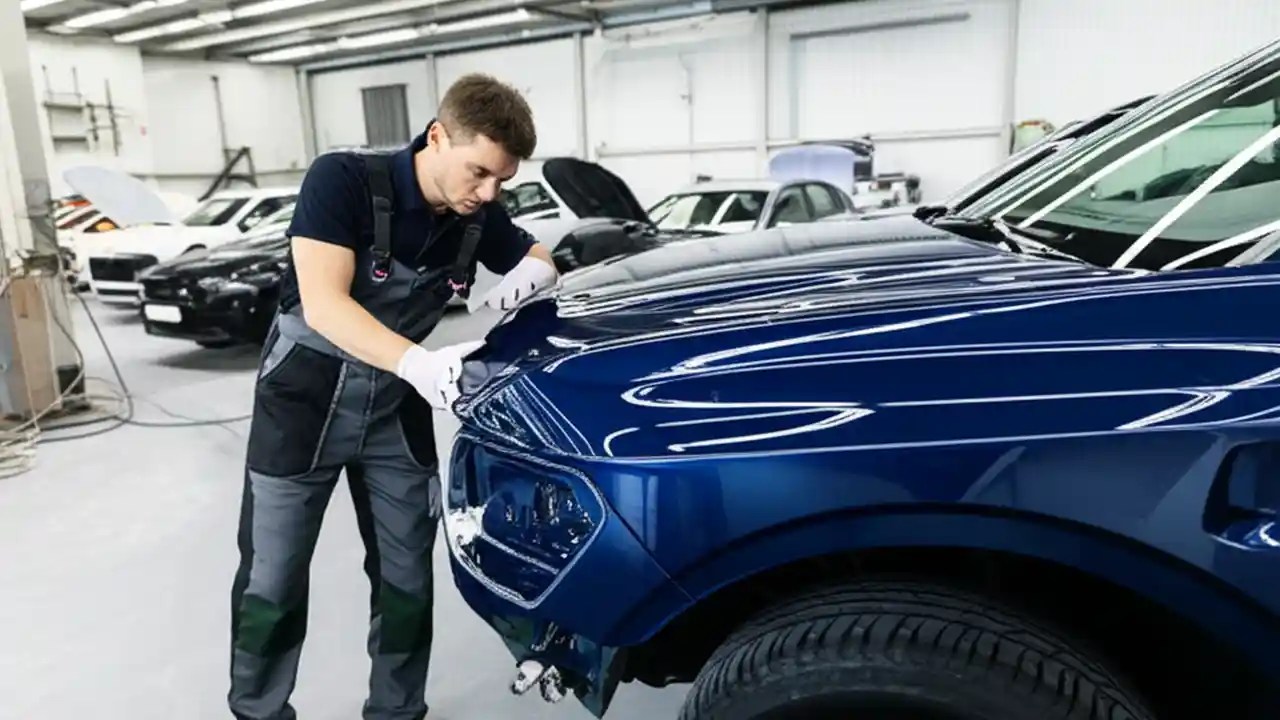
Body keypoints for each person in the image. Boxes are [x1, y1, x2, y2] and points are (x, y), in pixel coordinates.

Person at [228, 73, 558, 720]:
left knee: (407, 577)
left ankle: (397, 711)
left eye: (503, 182)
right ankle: (259, 710)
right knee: (272, 577)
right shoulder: (343, 180)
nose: (489, 193)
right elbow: (324, 305)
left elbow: (535, 250)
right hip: (304, 404)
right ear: (437, 136)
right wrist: (419, 363)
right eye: (479, 173)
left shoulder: (476, 211)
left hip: (395, 409)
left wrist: (536, 270)